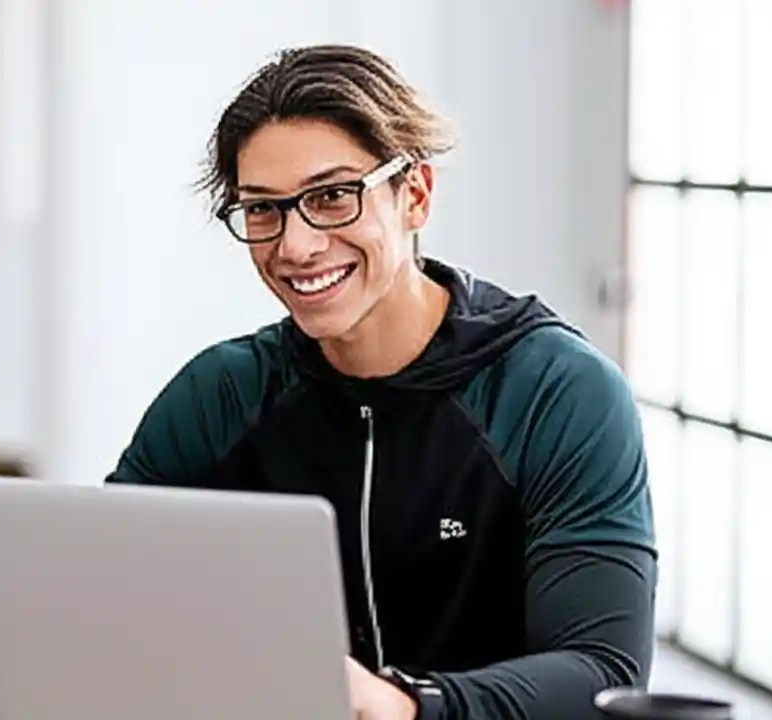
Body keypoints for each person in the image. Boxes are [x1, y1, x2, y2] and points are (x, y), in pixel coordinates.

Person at [106, 44, 656, 720]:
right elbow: (107, 601)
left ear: (415, 194)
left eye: (333, 197)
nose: (295, 246)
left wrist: (411, 705)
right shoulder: (220, 396)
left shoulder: (557, 392)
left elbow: (604, 674)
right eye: (262, 210)